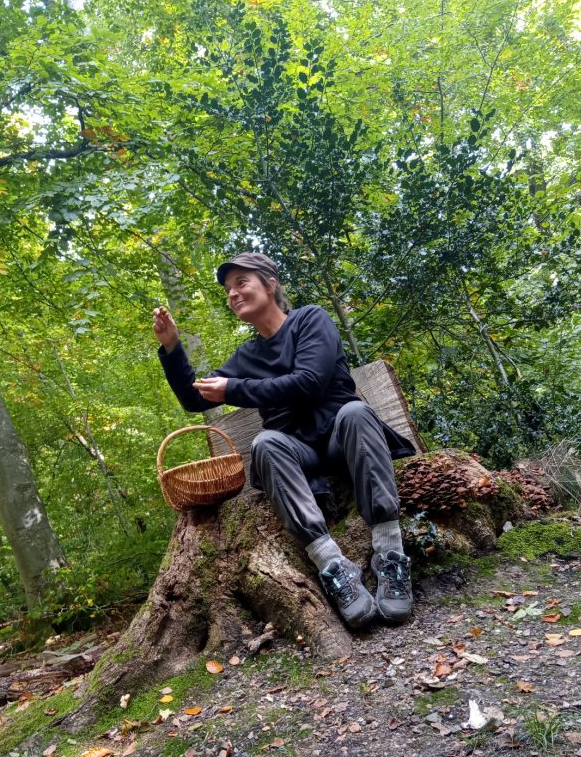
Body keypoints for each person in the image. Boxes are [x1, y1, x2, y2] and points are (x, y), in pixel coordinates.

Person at [153, 252, 416, 628]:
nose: (233, 294)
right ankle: (335, 568)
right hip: (299, 453)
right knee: (265, 443)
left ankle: (390, 556)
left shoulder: (310, 320)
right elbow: (196, 400)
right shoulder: (247, 355)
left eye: (241, 282)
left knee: (356, 412)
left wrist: (235, 389)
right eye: (228, 289)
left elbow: (310, 381)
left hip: (345, 438)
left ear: (270, 283)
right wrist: (172, 349)